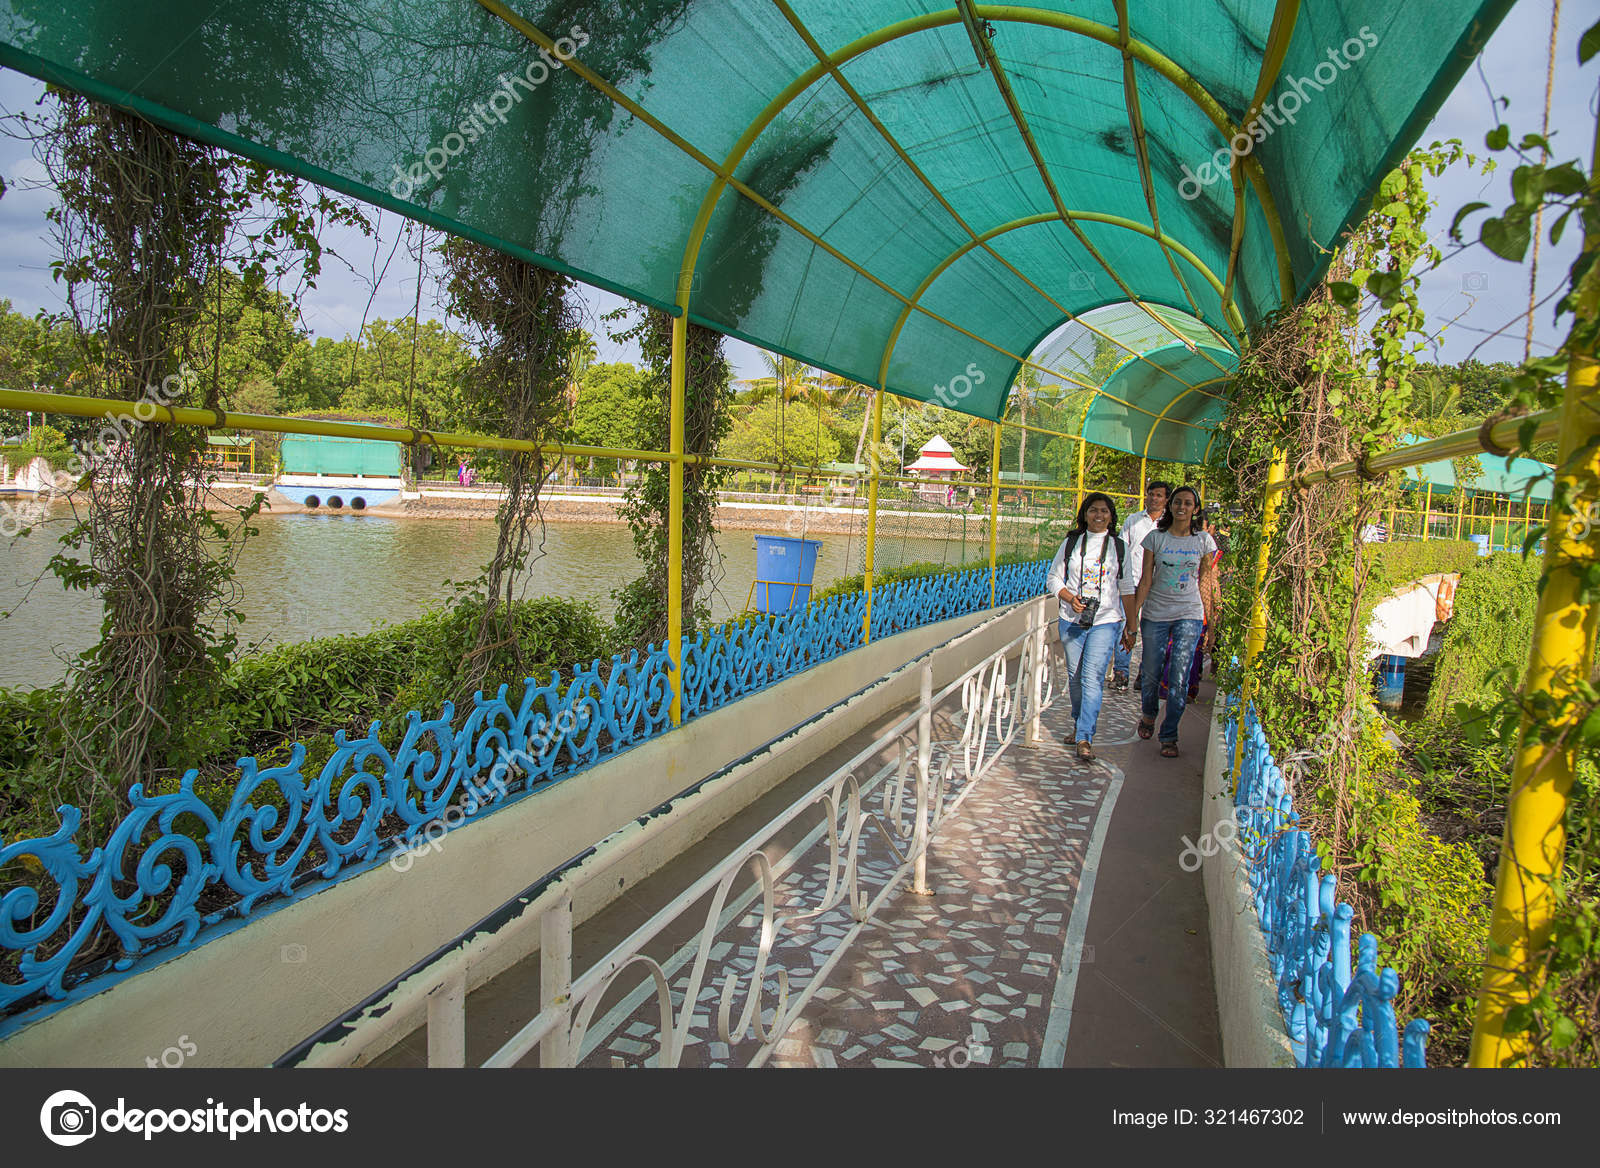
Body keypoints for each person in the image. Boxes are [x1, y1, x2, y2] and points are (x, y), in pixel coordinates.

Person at [1121, 485, 1216, 758]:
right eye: (1177, 502)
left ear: (1195, 509)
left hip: (1190, 615)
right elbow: (1145, 580)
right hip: (1156, 614)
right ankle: (1149, 714)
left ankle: (1169, 735)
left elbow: (1206, 582)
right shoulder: (1155, 538)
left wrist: (1212, 626)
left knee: (1179, 677)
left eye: (1187, 503)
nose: (1181, 507)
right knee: (1150, 674)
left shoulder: (1203, 541)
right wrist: (1133, 622)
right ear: (1170, 506)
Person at [1046, 493, 1133, 764]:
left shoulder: (1119, 547)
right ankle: (1078, 722)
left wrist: (1132, 624)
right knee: (1074, 677)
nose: (1099, 515)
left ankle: (1085, 737)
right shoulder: (1071, 543)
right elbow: (1053, 578)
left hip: (1106, 621)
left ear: (1111, 515)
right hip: (1071, 620)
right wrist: (1070, 598)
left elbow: (1128, 586)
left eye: (1104, 511)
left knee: (1092, 678)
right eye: (1093, 510)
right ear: (1085, 514)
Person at [1111, 480, 1170, 690]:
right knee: (1125, 627)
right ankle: (1121, 673)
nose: (1154, 498)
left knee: (1152, 631)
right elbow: (1122, 549)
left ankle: (1145, 674)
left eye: (1159, 495)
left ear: (1166, 500)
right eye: (1151, 494)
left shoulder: (1168, 526)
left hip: (1158, 588)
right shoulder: (1133, 520)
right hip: (1131, 583)